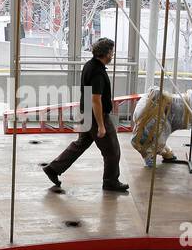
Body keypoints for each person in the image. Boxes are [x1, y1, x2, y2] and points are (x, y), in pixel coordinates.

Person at [43, 38, 129, 193]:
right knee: (112, 150)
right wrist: (101, 125)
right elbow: (96, 99)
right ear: (106, 53)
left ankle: (53, 168)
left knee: (79, 145)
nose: (113, 55)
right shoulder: (98, 73)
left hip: (85, 113)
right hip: (96, 116)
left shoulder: (89, 65)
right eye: (112, 52)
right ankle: (110, 181)